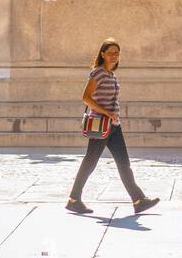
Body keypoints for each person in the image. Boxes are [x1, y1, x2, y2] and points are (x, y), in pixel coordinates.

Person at [66, 38, 160, 216]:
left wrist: (112, 116)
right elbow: (86, 97)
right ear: (102, 54)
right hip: (100, 125)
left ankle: (138, 200)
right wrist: (107, 112)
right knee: (90, 162)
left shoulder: (111, 75)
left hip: (113, 126)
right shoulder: (98, 73)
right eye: (110, 53)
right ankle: (74, 199)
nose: (114, 56)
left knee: (124, 163)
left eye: (117, 53)